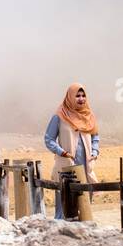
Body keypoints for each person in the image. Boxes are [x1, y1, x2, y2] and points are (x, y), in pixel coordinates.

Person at [45, 83, 99, 218]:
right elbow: (48, 139)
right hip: (66, 164)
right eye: (77, 96)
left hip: (85, 165)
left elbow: (95, 136)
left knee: (85, 204)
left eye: (83, 96)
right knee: (64, 204)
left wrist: (94, 152)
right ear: (70, 97)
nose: (81, 99)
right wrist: (62, 152)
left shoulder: (89, 115)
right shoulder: (59, 116)